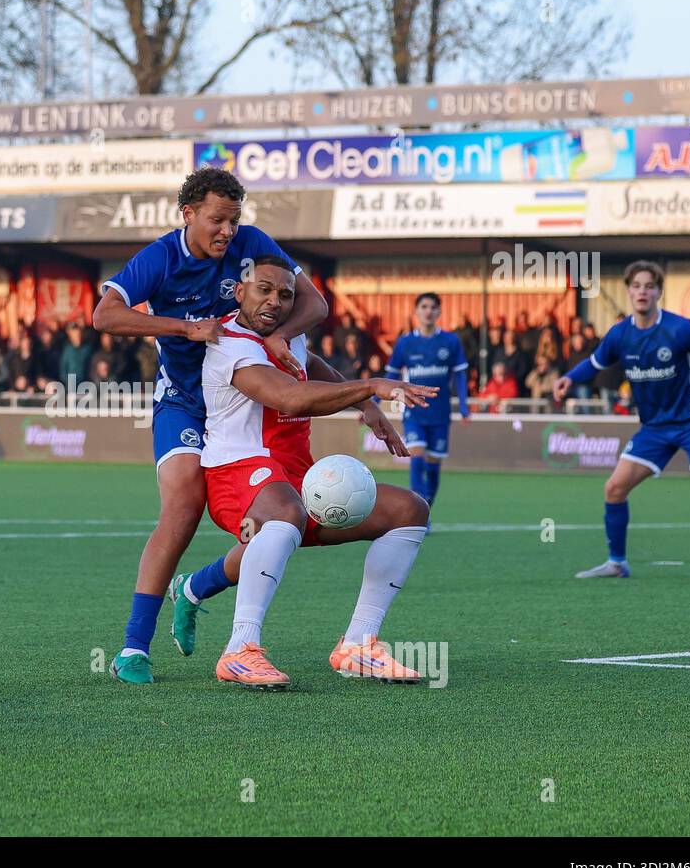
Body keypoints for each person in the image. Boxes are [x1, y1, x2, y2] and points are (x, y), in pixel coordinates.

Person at [94, 166, 352, 685]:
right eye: (217, 220)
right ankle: (134, 647)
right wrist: (182, 327)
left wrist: (285, 336)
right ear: (188, 214)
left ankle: (196, 589)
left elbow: (314, 304)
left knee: (279, 521)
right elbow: (105, 315)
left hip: (247, 403)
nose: (227, 232)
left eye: (233, 220)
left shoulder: (252, 244)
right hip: (188, 403)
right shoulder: (162, 258)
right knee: (185, 504)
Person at [166, 258, 435, 685]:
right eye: (264, 290)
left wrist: (364, 406)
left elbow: (308, 364)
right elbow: (291, 397)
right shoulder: (228, 343)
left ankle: (358, 645)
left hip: (296, 477)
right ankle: (240, 650)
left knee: (409, 510)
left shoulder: (286, 337)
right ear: (239, 292)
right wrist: (369, 386)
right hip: (235, 474)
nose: (275, 301)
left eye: (286, 294)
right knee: (283, 515)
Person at [555, 260, 690, 583]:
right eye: (636, 286)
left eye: (649, 286)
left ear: (659, 291)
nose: (642, 291)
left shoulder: (680, 329)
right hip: (654, 429)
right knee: (614, 488)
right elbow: (593, 364)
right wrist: (569, 378)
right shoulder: (620, 335)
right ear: (629, 291)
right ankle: (617, 562)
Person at [384, 292, 470, 511]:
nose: (428, 311)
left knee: (433, 464)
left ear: (439, 311)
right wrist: (373, 401)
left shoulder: (451, 341)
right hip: (414, 411)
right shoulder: (405, 343)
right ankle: (417, 510)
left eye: (433, 307)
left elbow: (460, 375)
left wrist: (464, 406)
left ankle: (427, 505)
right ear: (417, 312)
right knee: (417, 455)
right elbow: (391, 375)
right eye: (424, 306)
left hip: (440, 414)